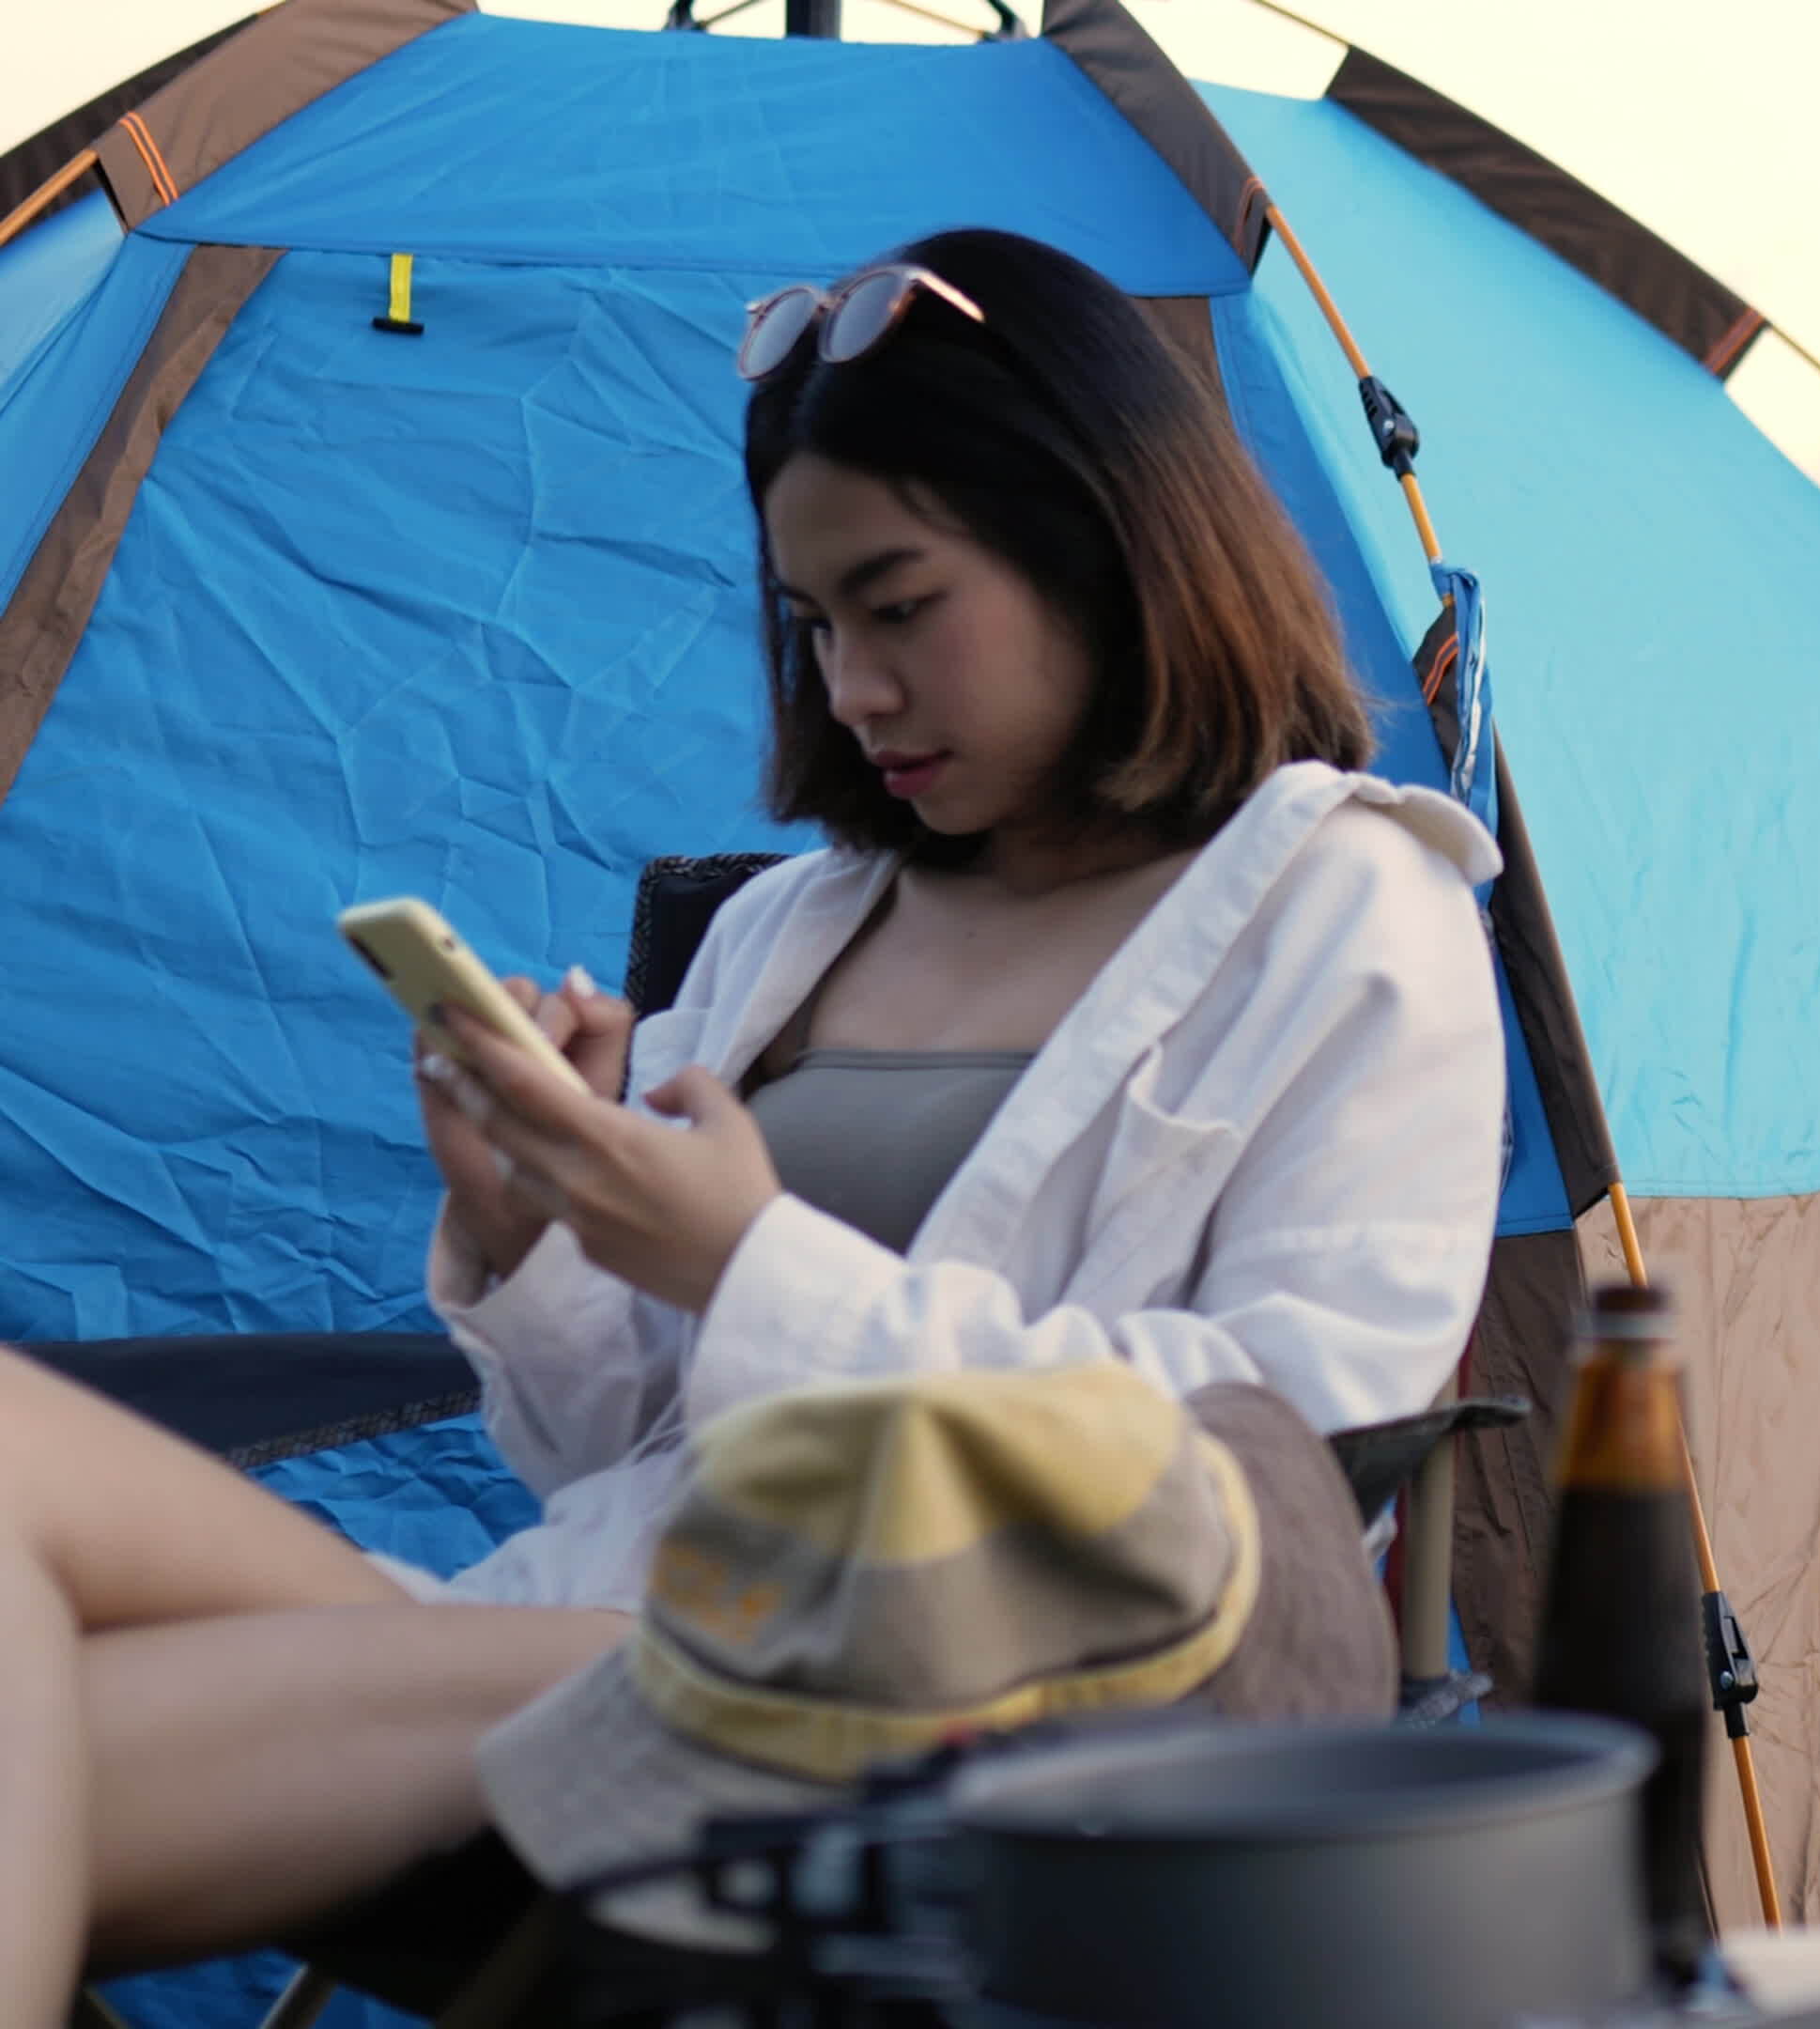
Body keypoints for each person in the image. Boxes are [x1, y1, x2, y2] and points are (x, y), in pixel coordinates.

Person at [0, 225, 1506, 2010]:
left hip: (948, 1715)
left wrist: (750, 1255)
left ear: (1107, 547)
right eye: (810, 624)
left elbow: (1272, 1488)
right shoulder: (799, 926)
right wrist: (531, 1228)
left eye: (900, 603)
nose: (851, 689)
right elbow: (625, 1447)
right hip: (604, 1630)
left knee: (48, 1760)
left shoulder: (1345, 917)